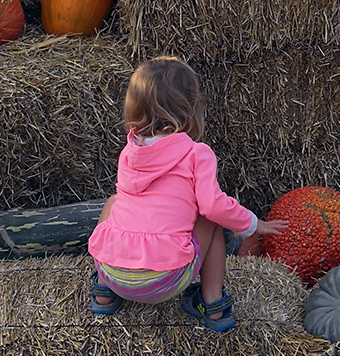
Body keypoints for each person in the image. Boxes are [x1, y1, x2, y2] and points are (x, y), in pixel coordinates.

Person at [87, 57, 287, 331]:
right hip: (163, 280)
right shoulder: (196, 154)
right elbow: (213, 206)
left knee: (114, 201)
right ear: (190, 110)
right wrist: (253, 224)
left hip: (111, 272)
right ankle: (214, 306)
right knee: (211, 219)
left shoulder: (129, 151)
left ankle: (102, 292)